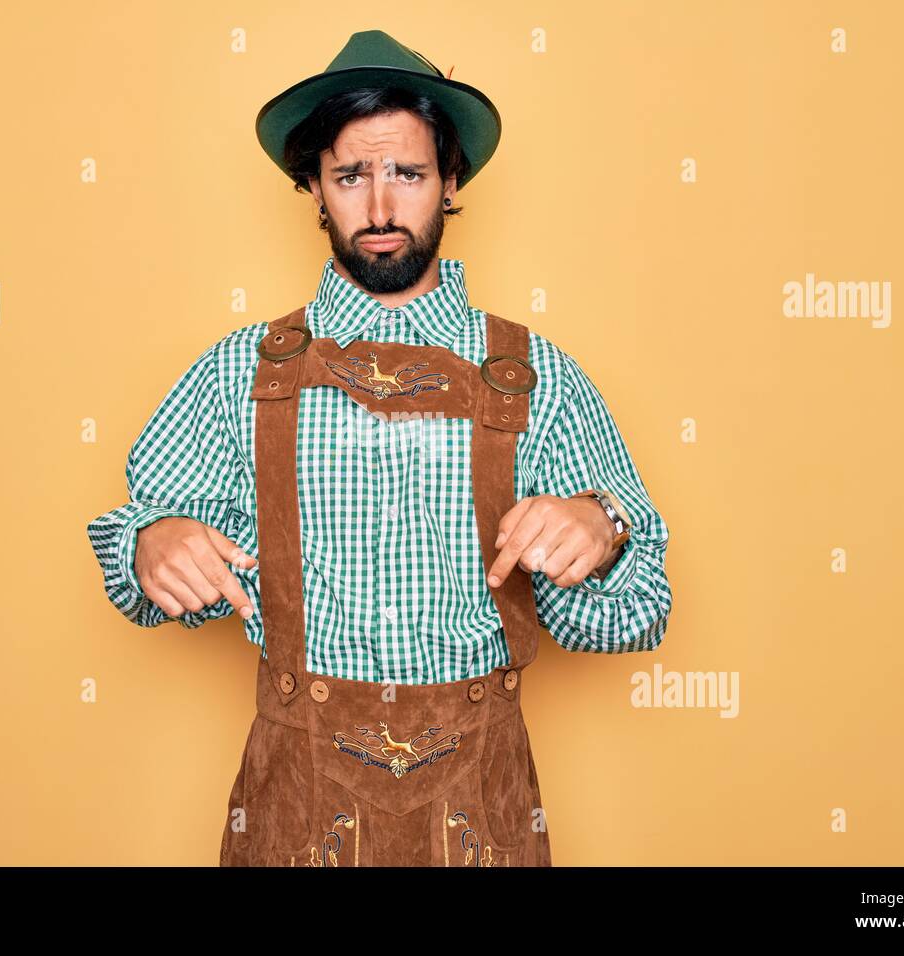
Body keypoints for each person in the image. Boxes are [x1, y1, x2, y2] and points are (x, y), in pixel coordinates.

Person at [86, 30, 673, 867]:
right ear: (316, 191)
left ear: (451, 180)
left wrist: (602, 523)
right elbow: (148, 562)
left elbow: (635, 614)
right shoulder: (240, 373)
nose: (382, 208)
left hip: (485, 802)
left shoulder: (535, 375)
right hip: (294, 797)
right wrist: (151, 544)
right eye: (351, 176)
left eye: (408, 173)